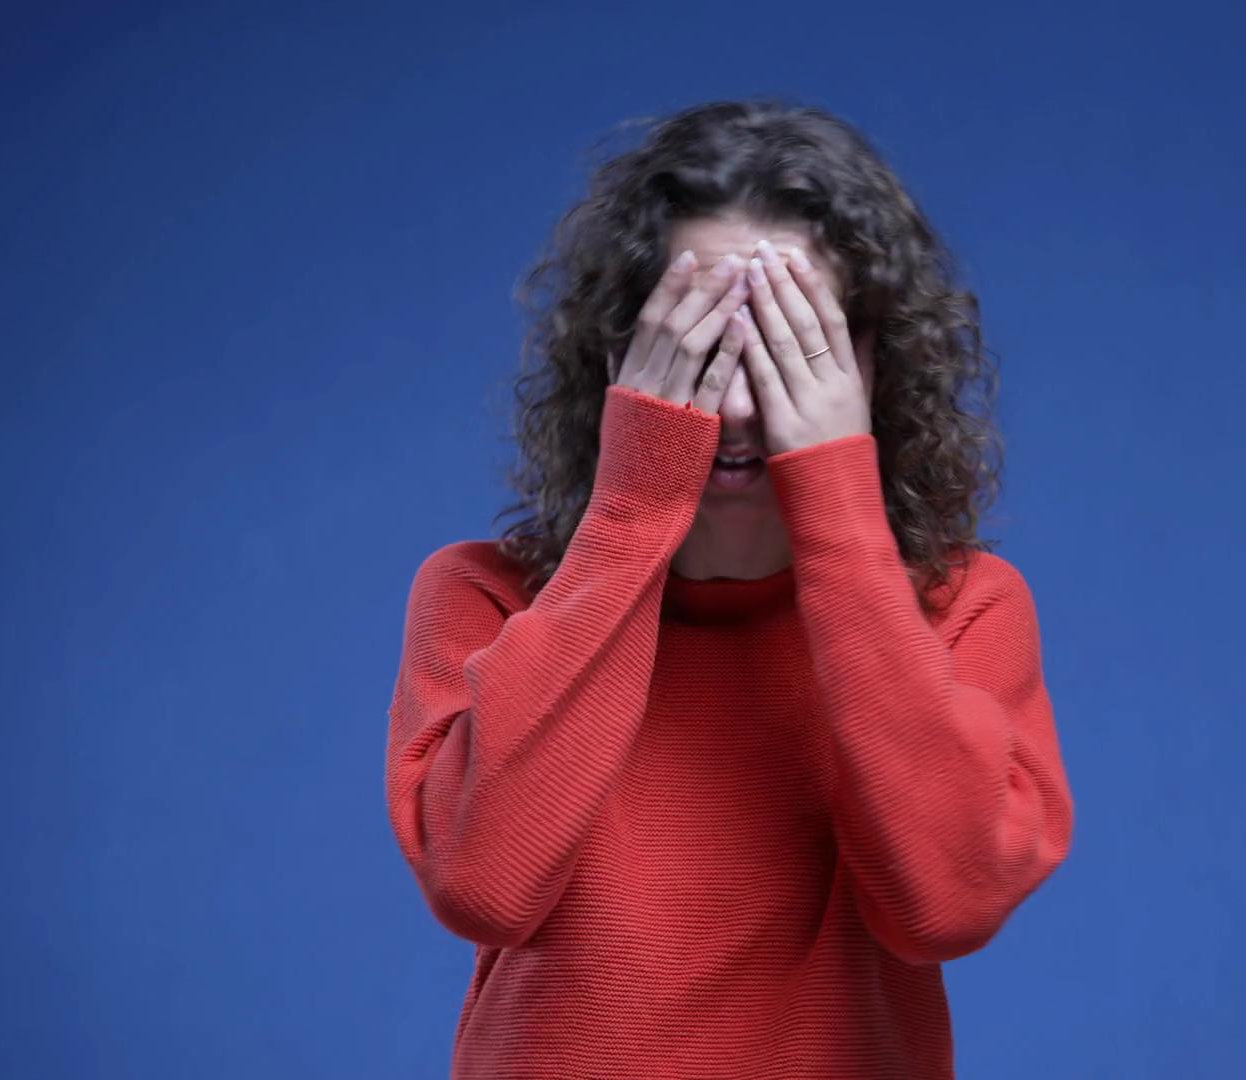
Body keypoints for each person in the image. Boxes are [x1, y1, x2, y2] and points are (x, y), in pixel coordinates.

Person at [385, 99, 1074, 1079]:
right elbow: (487, 888)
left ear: (875, 362)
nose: (743, 401)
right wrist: (630, 511)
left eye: (795, 344)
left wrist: (837, 502)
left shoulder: (964, 608)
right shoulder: (482, 598)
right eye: (703, 342)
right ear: (619, 358)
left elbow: (946, 908)